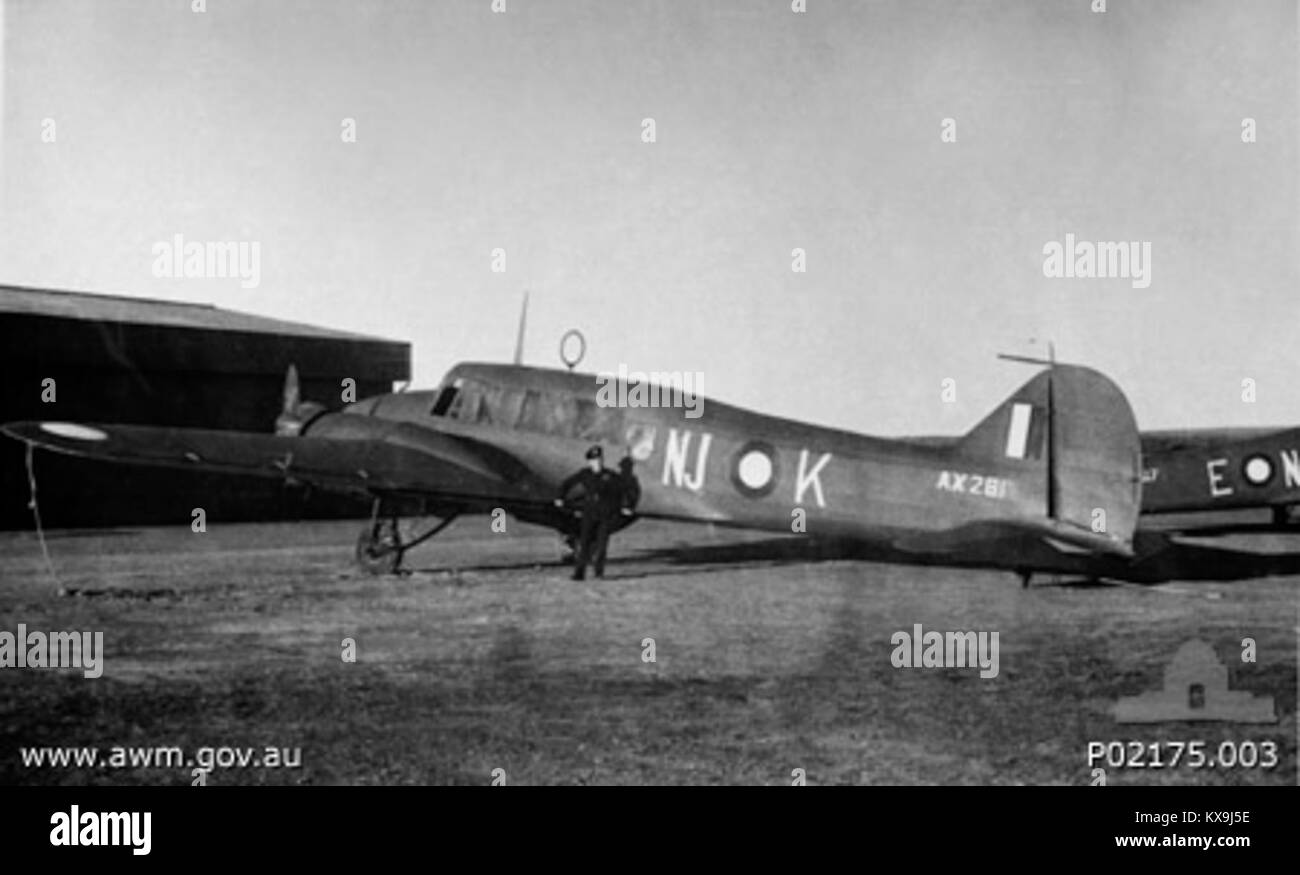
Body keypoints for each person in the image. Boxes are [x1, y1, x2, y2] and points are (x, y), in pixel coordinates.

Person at [555, 445, 624, 580]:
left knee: (602, 546)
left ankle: (599, 573)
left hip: (604, 516)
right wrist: (560, 497)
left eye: (600, 459)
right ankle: (579, 573)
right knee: (584, 544)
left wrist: (618, 508)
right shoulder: (585, 474)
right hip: (589, 514)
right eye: (595, 460)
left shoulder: (610, 476)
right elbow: (567, 483)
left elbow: (620, 491)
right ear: (589, 462)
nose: (597, 462)